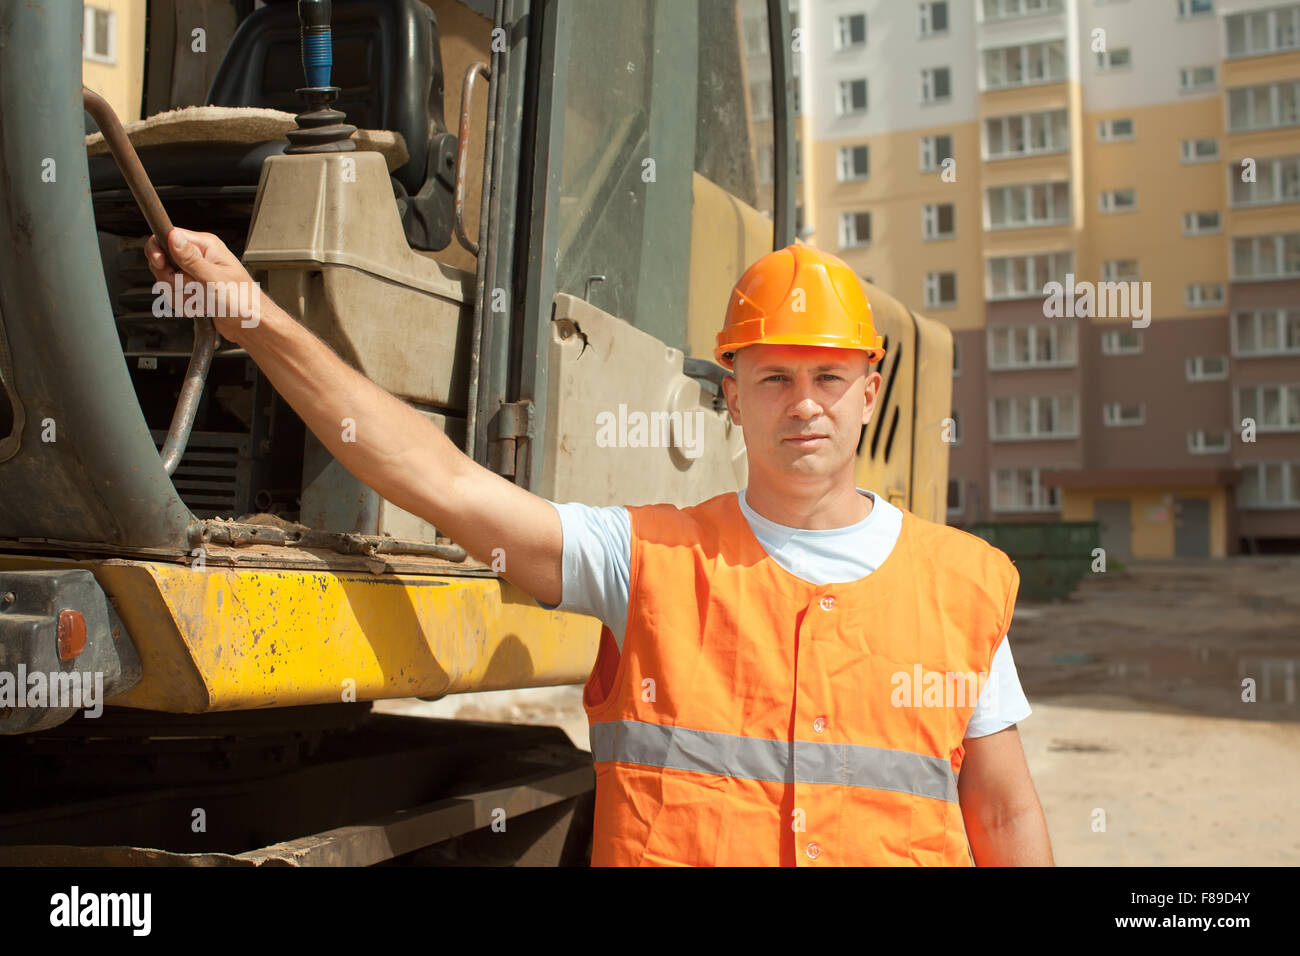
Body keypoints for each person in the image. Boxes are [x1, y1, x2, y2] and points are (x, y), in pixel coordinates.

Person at [145, 229, 1053, 866]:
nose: (804, 404)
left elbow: (1004, 811)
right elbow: (447, 483)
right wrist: (254, 317)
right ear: (731, 397)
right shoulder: (646, 559)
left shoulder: (960, 583)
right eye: (773, 378)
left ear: (869, 391)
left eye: (828, 377)